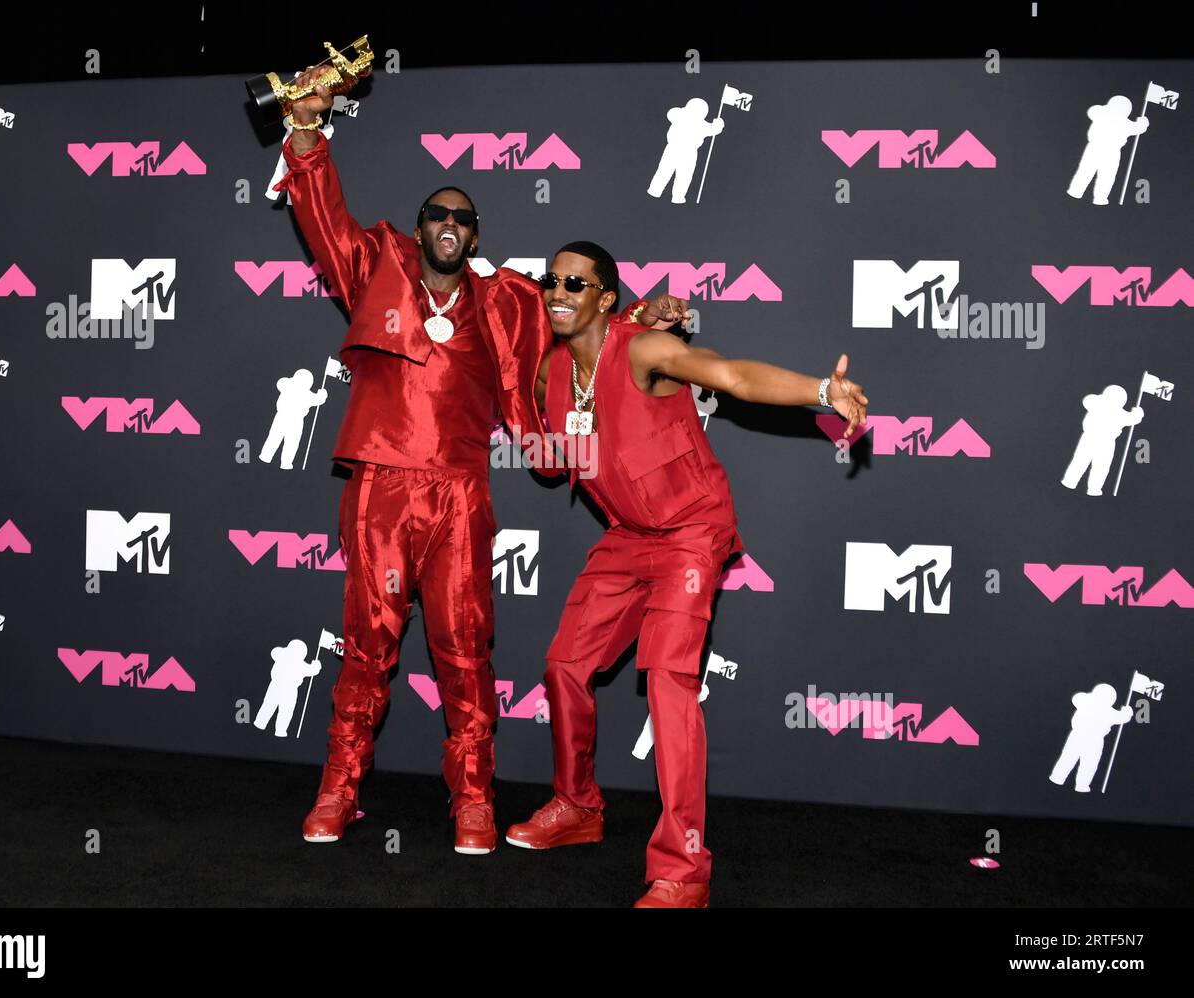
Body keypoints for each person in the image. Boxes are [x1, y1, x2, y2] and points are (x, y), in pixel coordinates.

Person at [506, 242, 868, 906]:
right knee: (564, 665)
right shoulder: (549, 372)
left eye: (576, 283)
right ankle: (578, 807)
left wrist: (821, 391)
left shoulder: (643, 348)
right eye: (550, 280)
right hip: (626, 535)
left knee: (669, 681)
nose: (558, 291)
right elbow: (554, 462)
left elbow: (729, 375)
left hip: (690, 531)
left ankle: (683, 869)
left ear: (604, 298)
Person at [271, 71, 557, 854]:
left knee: (467, 650)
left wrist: (643, 316)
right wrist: (304, 133)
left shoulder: (504, 303)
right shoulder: (375, 269)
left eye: (464, 219)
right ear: (422, 225)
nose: (450, 225)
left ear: (476, 235)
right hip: (380, 488)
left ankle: (473, 803)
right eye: (438, 214)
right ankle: (336, 793)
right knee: (366, 647)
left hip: (462, 495)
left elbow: (575, 310)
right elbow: (323, 217)